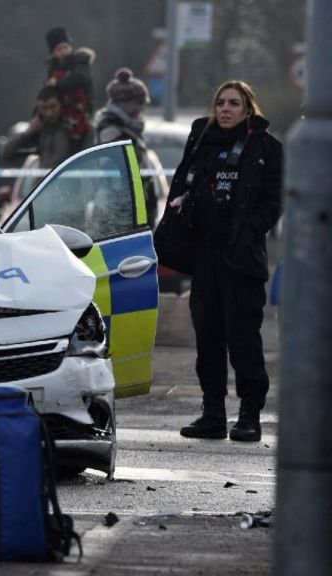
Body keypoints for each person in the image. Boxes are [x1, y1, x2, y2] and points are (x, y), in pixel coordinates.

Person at [171, 81, 283, 442]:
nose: (225, 109)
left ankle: (249, 415)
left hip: (242, 257)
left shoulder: (265, 147)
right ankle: (212, 414)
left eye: (234, 103)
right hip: (205, 255)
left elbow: (273, 200)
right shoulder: (202, 141)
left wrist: (250, 229)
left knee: (244, 338)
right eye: (220, 102)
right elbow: (181, 184)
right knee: (208, 336)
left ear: (248, 109)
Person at [95, 67, 159, 225]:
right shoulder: (110, 131)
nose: (143, 108)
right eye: (140, 103)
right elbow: (117, 170)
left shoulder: (130, 128)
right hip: (121, 210)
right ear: (127, 104)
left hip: (133, 204)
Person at [44, 26, 95, 152]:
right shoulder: (52, 68)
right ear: (53, 52)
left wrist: (57, 83)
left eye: (65, 47)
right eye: (59, 49)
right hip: (61, 117)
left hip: (82, 114)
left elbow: (79, 78)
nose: (63, 51)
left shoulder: (80, 61)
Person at [2, 85, 73, 169]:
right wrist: (28, 132)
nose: (49, 113)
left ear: (61, 105)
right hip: (44, 179)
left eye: (53, 106)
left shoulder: (75, 130)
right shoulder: (40, 130)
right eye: (44, 108)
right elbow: (7, 154)